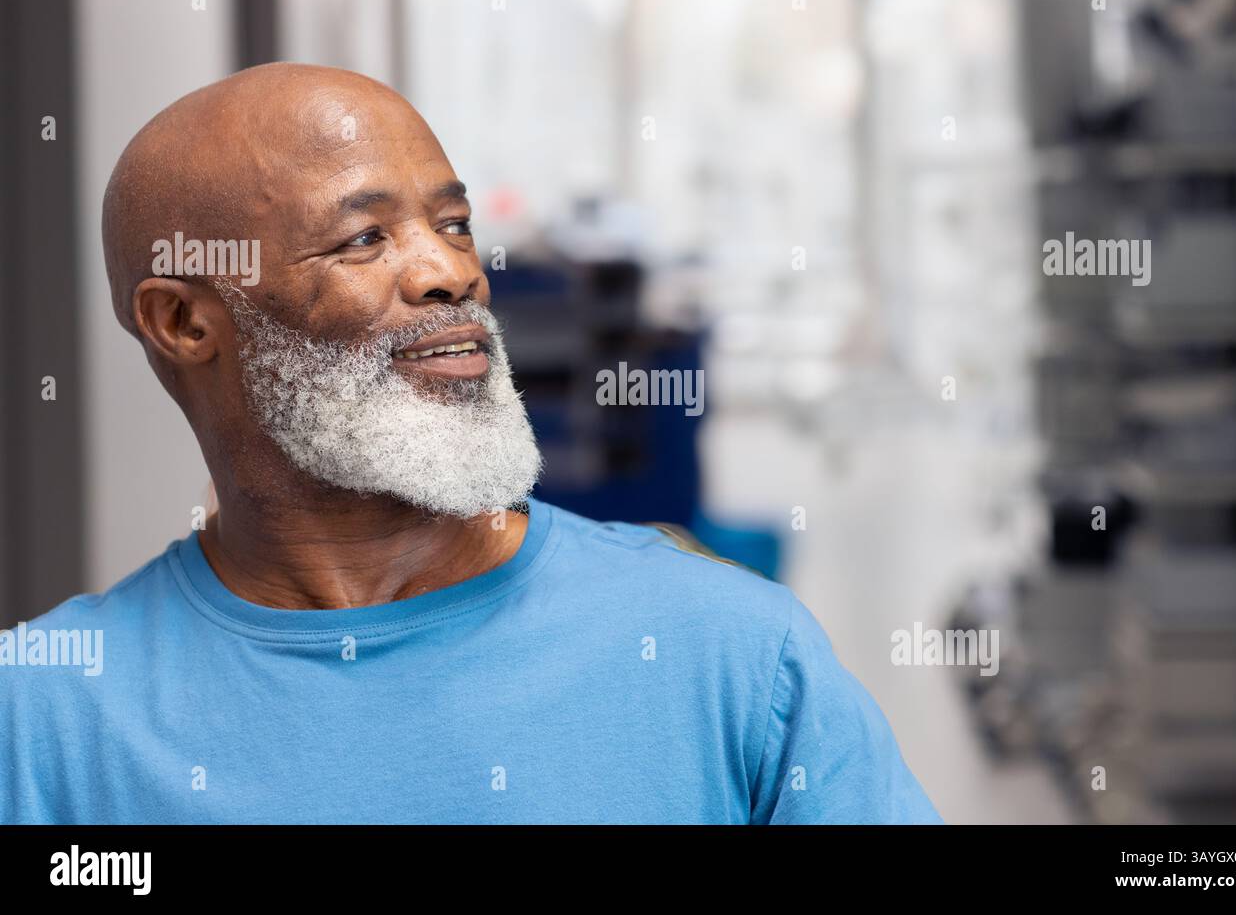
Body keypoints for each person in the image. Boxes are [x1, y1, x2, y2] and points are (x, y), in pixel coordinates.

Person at [0, 63, 941, 824]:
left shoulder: (728, 651)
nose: (451, 272)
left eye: (454, 226)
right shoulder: (47, 717)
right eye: (365, 239)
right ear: (184, 322)